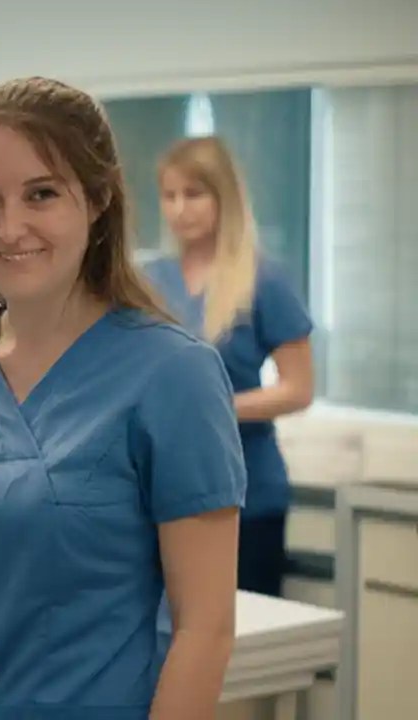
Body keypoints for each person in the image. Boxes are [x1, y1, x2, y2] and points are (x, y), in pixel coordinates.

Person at [0, 77, 247, 719]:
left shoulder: (172, 375)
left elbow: (206, 631)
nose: (9, 227)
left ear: (97, 199)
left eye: (41, 193)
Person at [144, 136, 314, 598]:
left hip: (248, 494)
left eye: (194, 194)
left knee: (244, 644)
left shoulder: (263, 279)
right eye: (170, 195)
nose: (180, 208)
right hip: (163, 495)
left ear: (225, 198)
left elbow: (298, 388)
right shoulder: (148, 281)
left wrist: (217, 410)